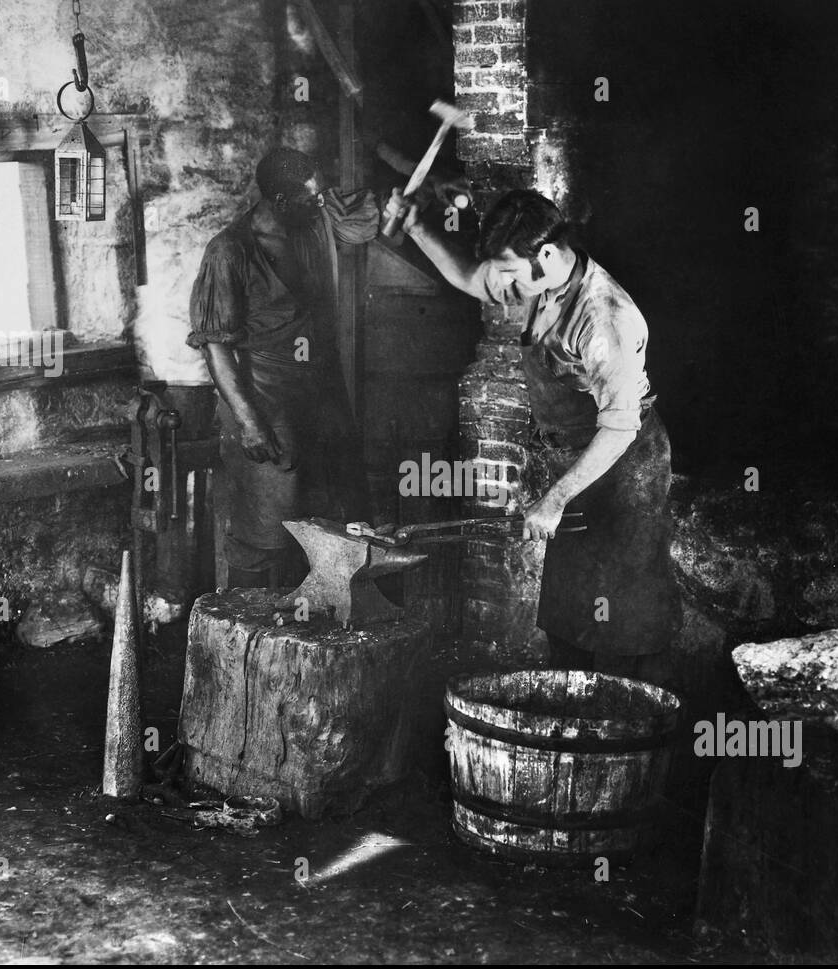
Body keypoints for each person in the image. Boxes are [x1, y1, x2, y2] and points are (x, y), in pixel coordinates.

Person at [386, 187, 679, 682]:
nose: (502, 281)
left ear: (545, 253)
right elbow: (474, 279)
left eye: (510, 269)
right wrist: (417, 228)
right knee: (568, 621)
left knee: (626, 628)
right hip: (575, 465)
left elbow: (619, 427)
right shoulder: (536, 281)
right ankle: (566, 720)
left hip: (625, 474)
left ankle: (626, 735)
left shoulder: (605, 317)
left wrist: (556, 499)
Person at [187, 147, 379, 589]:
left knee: (339, 525)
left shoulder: (313, 225)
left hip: (324, 404)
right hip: (268, 410)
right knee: (266, 534)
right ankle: (238, 635)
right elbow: (216, 347)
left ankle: (314, 635)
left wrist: (401, 207)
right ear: (280, 201)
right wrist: (250, 422)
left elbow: (362, 221)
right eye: (311, 199)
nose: (321, 204)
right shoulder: (229, 251)